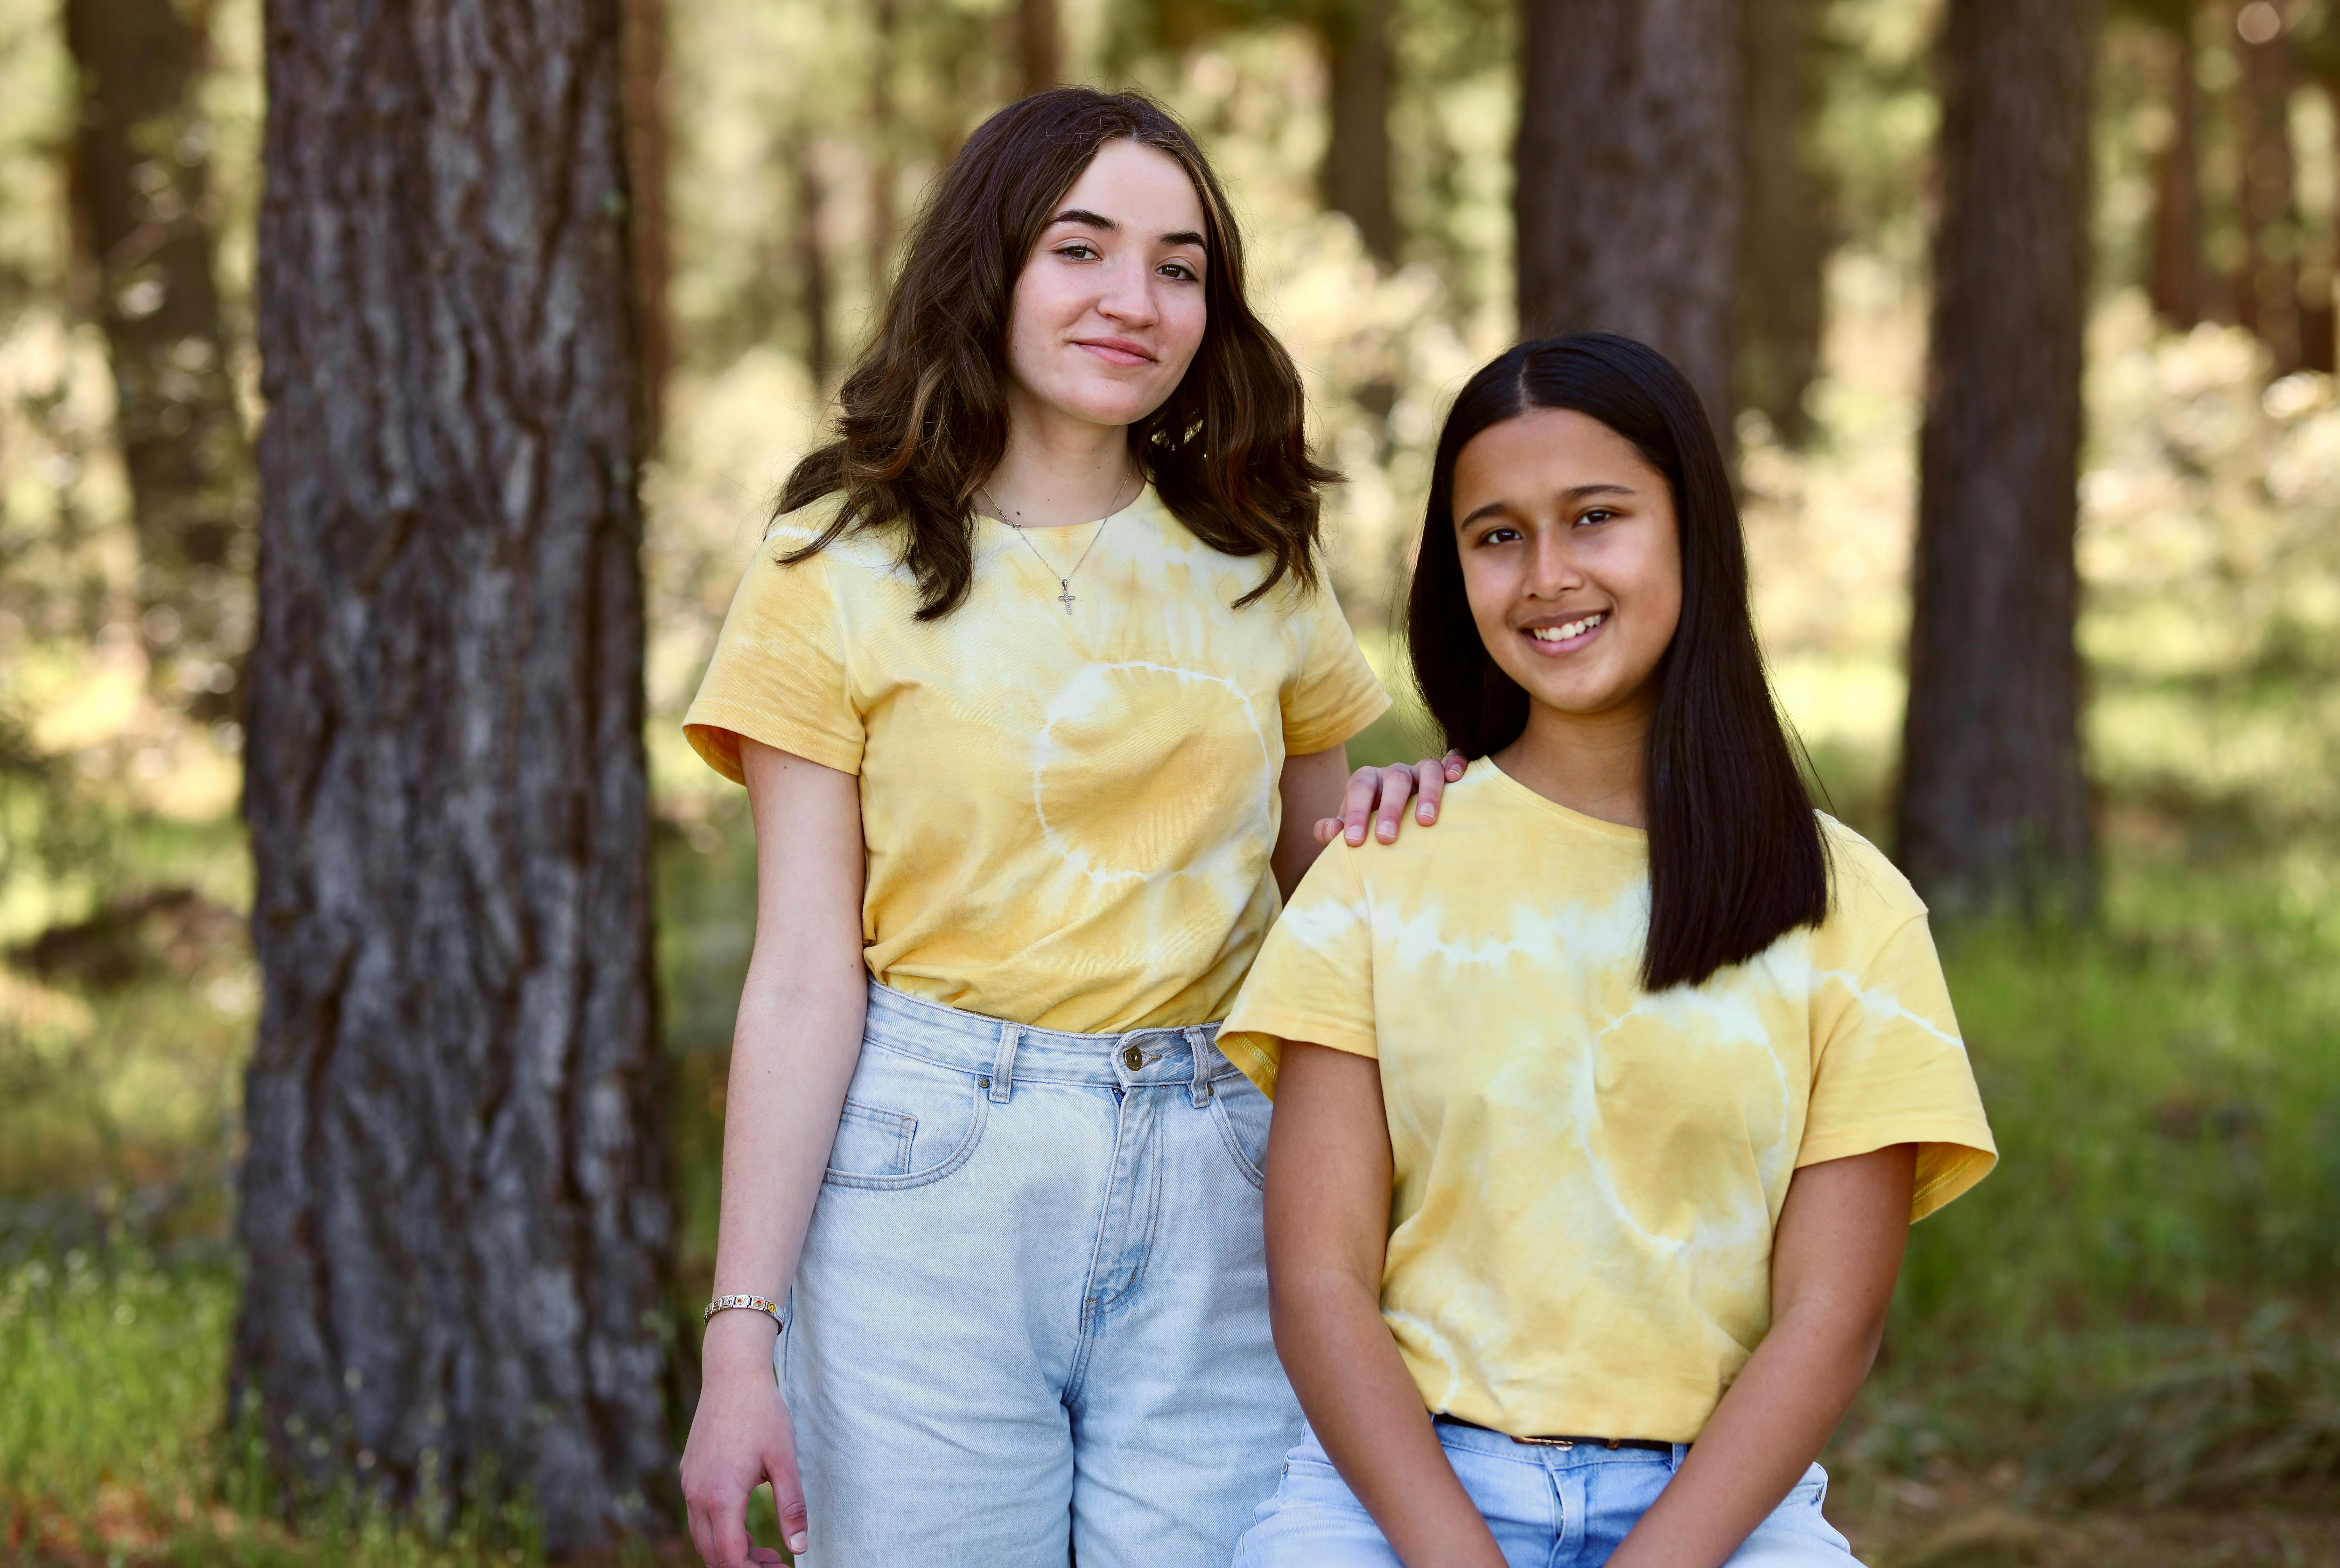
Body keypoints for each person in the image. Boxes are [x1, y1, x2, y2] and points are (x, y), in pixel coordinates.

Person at [675, 87, 1463, 1568]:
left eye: (1179, 266)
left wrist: (1408, 818)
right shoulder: (833, 561)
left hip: (1225, 1174)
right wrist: (740, 1347)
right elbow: (798, 970)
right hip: (928, 1183)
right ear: (994, 269)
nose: (1135, 299)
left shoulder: (1258, 561)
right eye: (1082, 248)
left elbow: (1331, 898)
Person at [1217, 333, 1998, 1568]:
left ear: (1694, 530)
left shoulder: (1849, 905)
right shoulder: (1378, 872)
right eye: (1497, 535)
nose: (1547, 576)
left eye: (1596, 518)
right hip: (1401, 1496)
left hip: (1722, 1509)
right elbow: (1319, 1284)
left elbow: (1830, 1318)